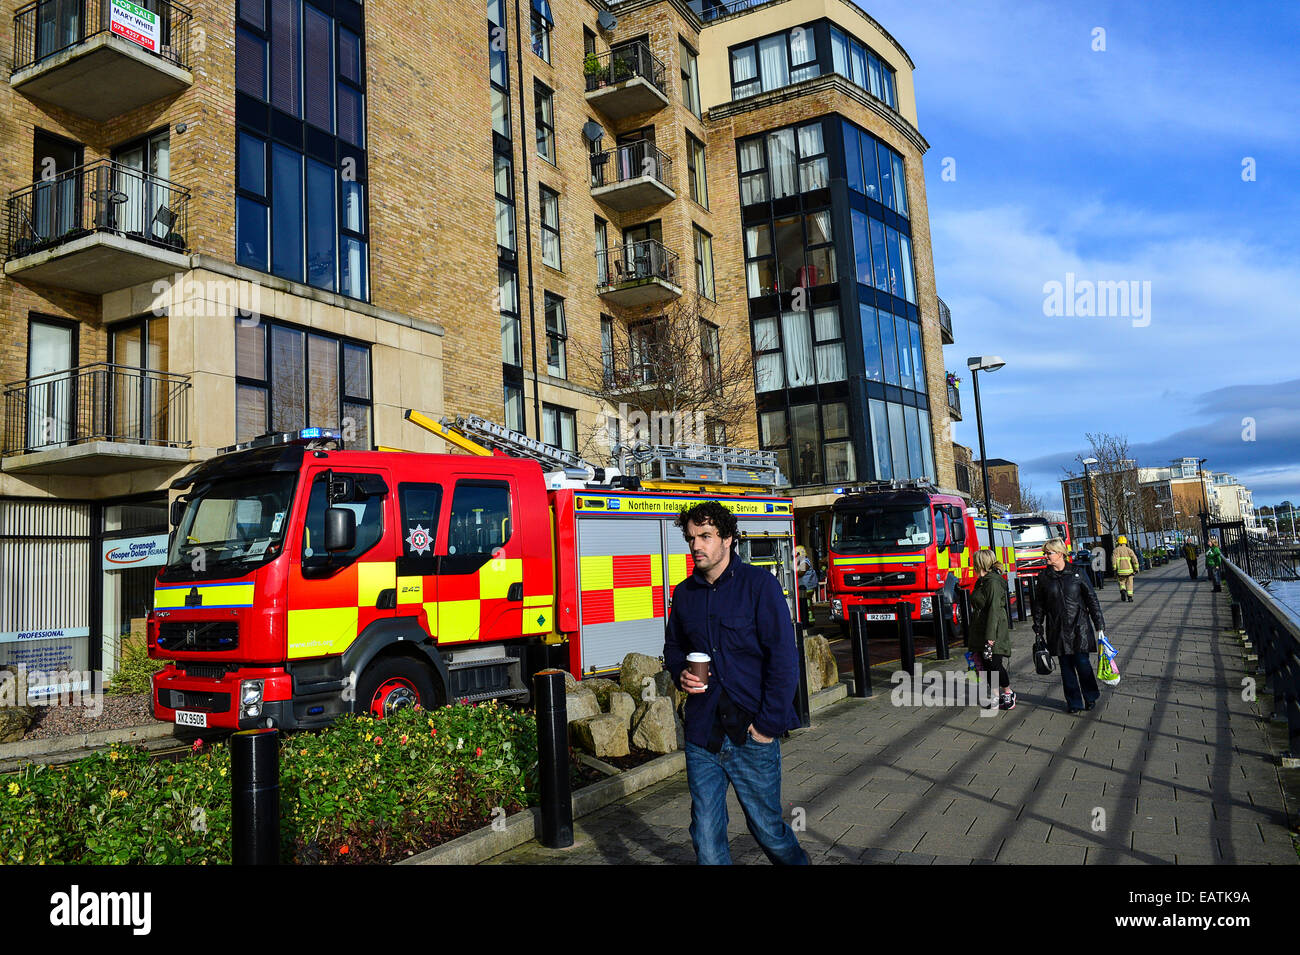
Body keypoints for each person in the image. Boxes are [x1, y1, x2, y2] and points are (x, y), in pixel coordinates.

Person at [663, 500, 808, 865]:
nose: (697, 545)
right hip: (702, 735)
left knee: (768, 830)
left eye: (706, 536)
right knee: (707, 839)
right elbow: (674, 648)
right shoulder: (683, 595)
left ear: (727, 538)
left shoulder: (760, 586)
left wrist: (767, 727)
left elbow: (784, 659)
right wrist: (680, 671)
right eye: (692, 537)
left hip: (751, 733)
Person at [1033, 538, 1107, 714]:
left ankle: (1090, 696)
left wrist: (1099, 625)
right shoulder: (1044, 577)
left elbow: (1091, 599)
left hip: (1079, 626)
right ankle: (1074, 702)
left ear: (1060, 554)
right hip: (1057, 628)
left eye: (1048, 553)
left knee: (1083, 664)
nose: (1045, 556)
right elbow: (1039, 604)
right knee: (1066, 668)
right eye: (1045, 553)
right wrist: (1037, 625)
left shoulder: (1077, 572)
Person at [968, 548, 1014, 710]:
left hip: (993, 629)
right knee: (985, 666)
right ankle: (995, 696)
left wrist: (990, 636)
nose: (971, 563)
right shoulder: (982, 581)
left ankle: (1008, 692)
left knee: (994, 664)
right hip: (981, 628)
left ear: (980, 563)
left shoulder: (992, 581)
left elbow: (994, 609)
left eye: (974, 561)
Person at [794, 544, 818, 624]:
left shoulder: (805, 561)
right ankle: (808, 619)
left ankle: (809, 621)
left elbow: (801, 572)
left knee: (807, 604)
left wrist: (793, 572)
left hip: (807, 587)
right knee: (806, 604)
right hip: (804, 587)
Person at [1112, 535, 1139, 602]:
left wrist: (1114, 569)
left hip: (1120, 571)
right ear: (1125, 542)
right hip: (1129, 571)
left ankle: (1123, 590)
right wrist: (1136, 569)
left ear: (1118, 542)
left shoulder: (1115, 550)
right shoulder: (1129, 550)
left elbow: (1113, 560)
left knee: (1121, 582)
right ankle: (1130, 597)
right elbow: (1135, 560)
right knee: (1130, 584)